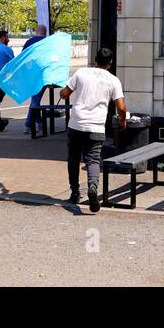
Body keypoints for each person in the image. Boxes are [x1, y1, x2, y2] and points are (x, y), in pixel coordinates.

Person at [59, 47, 127, 212]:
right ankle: (92, 188)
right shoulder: (113, 80)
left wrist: (62, 90)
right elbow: (121, 107)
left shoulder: (81, 73)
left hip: (76, 124)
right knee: (93, 160)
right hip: (96, 126)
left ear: (95, 60)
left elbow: (64, 94)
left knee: (73, 159)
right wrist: (122, 121)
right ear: (110, 63)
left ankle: (75, 192)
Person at [21, 23, 48, 135]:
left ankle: (38, 124)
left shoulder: (28, 42)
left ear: (36, 31)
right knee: (36, 101)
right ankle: (28, 125)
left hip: (30, 75)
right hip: (41, 75)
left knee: (35, 99)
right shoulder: (47, 43)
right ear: (45, 33)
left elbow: (22, 58)